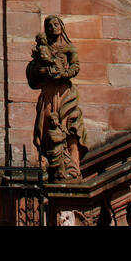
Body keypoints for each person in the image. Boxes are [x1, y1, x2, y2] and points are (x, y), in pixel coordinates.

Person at [26, 15, 87, 181]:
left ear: (61, 26)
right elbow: (32, 74)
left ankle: (72, 163)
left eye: (56, 24)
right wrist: (40, 70)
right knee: (45, 126)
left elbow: (75, 66)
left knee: (70, 124)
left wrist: (64, 73)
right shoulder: (42, 49)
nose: (53, 27)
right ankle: (55, 164)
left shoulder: (68, 47)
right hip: (48, 93)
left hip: (64, 92)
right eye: (50, 25)